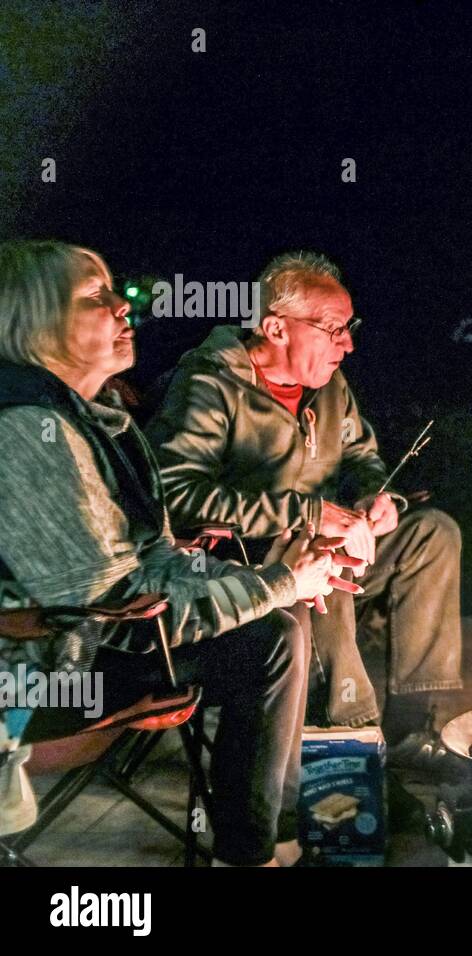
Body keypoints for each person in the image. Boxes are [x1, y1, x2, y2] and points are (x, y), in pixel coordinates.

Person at [0, 239, 358, 866]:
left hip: (95, 636)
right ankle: (253, 852)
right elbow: (116, 613)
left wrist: (290, 574)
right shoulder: (31, 431)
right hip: (52, 673)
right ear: (34, 319)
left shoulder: (92, 417)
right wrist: (276, 583)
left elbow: (154, 558)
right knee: (270, 638)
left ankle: (277, 826)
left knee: (282, 618)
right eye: (95, 296)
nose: (121, 306)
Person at [145, 252, 462, 770]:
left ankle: (409, 731)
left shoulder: (329, 384)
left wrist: (377, 499)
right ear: (275, 327)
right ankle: (345, 747)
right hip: (246, 570)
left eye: (349, 327)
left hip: (333, 545)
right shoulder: (210, 385)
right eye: (334, 328)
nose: (349, 343)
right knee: (320, 557)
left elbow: (362, 456)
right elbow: (175, 494)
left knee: (432, 533)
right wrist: (308, 514)